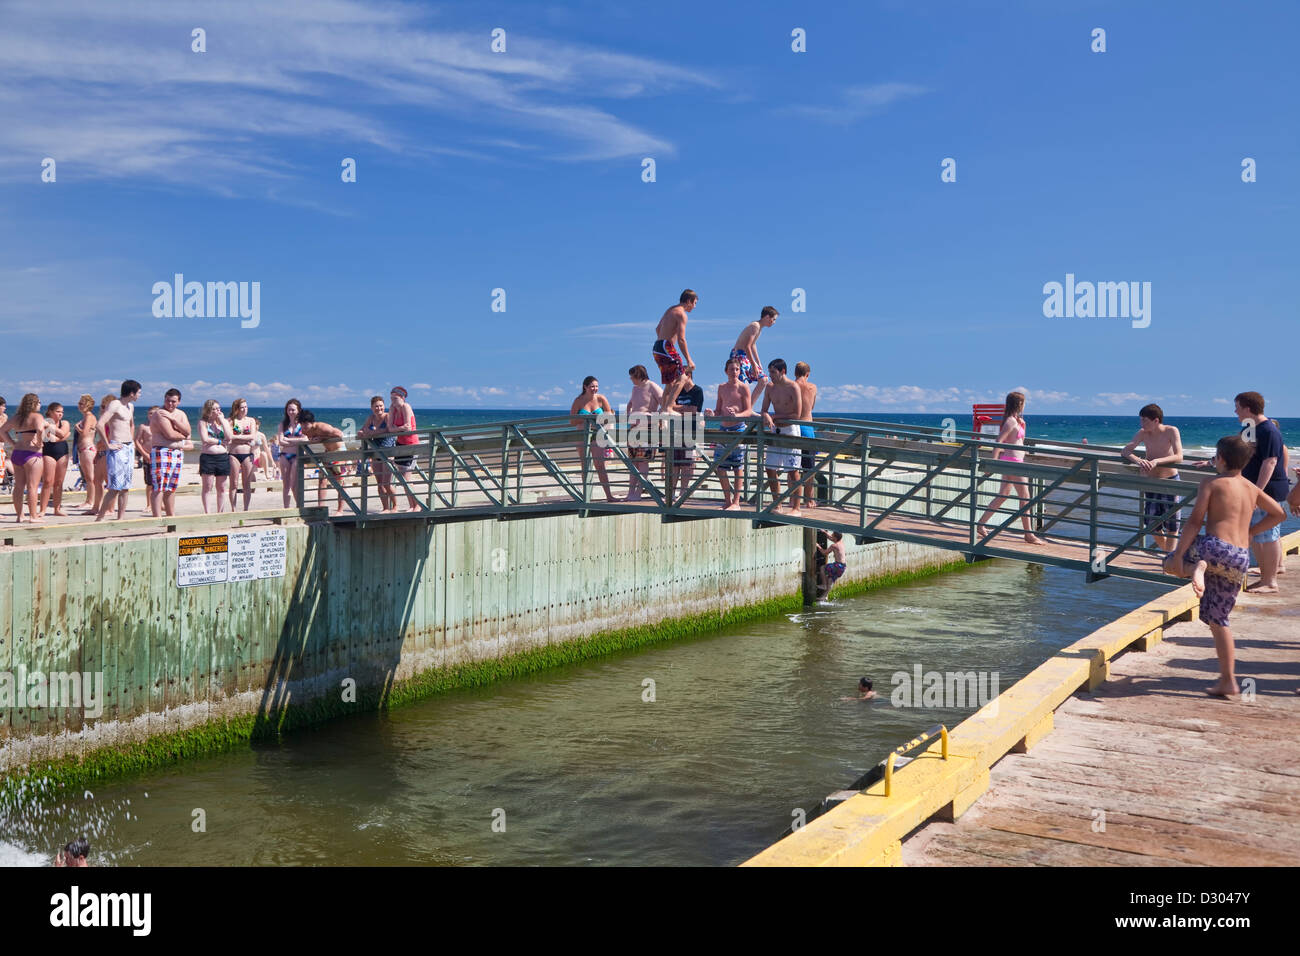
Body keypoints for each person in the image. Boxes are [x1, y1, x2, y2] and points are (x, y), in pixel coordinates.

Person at [1163, 435, 1286, 697]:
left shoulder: (1211, 482)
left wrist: (1178, 556)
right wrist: (1251, 532)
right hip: (1240, 557)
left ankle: (1199, 567)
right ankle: (1228, 681)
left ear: (1219, 459)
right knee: (1219, 621)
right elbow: (1279, 513)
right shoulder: (1251, 488)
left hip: (1214, 549)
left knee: (1168, 563)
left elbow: (1195, 522)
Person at [1235, 392, 1288, 594]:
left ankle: (1270, 581)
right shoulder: (1250, 428)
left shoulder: (1268, 430)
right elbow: (1242, 453)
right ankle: (1266, 572)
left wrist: (1257, 491)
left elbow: (1271, 462)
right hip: (1253, 489)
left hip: (1269, 490)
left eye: (1238, 407)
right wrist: (1212, 462)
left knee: (1268, 535)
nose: (1236, 412)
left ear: (1248, 408)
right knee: (1257, 534)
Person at [975, 391, 1045, 545]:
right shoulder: (1010, 422)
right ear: (1019, 404)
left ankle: (980, 524)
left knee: (1003, 495)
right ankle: (1028, 535)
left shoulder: (1017, 421)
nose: (1025, 406)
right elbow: (999, 441)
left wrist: (1023, 426)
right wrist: (993, 463)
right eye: (1024, 403)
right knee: (1025, 498)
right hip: (1012, 463)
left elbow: (1017, 442)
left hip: (1013, 461)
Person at [1120, 403, 1185, 552]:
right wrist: (1138, 460)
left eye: (1145, 421)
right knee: (1151, 524)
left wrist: (1156, 461)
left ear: (1156, 420)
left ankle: (1169, 560)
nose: (1142, 424)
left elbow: (1179, 456)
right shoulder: (1143, 433)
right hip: (1151, 482)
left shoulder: (1171, 431)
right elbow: (1125, 451)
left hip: (1170, 481)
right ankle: (1169, 556)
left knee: (1172, 525)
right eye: (1141, 420)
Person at [759, 359, 803, 516]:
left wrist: (775, 415)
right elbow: (763, 409)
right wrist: (766, 416)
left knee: (793, 471)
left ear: (783, 371)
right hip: (775, 430)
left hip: (790, 431)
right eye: (769, 372)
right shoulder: (770, 387)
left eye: (773, 372)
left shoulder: (793, 387)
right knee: (770, 468)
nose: (771, 376)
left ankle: (796, 508)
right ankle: (777, 504)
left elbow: (797, 414)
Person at [712, 356, 756, 510]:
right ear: (726, 371)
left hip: (738, 429)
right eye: (732, 369)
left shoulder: (744, 387)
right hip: (724, 430)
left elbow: (749, 411)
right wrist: (712, 413)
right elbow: (718, 410)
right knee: (720, 466)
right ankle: (727, 500)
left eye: (737, 369)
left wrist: (736, 415)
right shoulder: (721, 387)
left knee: (738, 467)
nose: (735, 372)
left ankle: (736, 502)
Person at [95, 380, 142, 522]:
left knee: (126, 487)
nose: (140, 395)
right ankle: (100, 517)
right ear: (132, 393)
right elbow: (100, 424)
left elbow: (131, 425)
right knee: (115, 487)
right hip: (117, 447)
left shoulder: (130, 406)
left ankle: (121, 518)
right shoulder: (115, 404)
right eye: (139, 392)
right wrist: (108, 444)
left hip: (128, 447)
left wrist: (132, 442)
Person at [570, 376, 616, 502]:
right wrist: (586, 418)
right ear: (585, 387)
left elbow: (610, 416)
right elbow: (572, 421)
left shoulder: (601, 399)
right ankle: (586, 497)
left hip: (597, 435)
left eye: (596, 386)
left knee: (600, 465)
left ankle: (609, 496)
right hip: (582, 435)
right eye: (592, 386)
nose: (594, 389)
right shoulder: (578, 401)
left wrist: (600, 419)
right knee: (585, 466)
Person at [148, 388, 191, 518]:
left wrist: (174, 421)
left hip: (177, 453)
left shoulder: (181, 414)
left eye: (173, 401)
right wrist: (183, 435)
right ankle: (157, 517)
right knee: (159, 486)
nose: (170, 404)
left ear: (178, 402)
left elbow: (188, 431)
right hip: (162, 451)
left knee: (171, 487)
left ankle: (170, 516)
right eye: (167, 400)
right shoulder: (160, 413)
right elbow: (170, 434)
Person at [653, 290, 698, 412]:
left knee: (670, 382)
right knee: (682, 378)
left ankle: (663, 410)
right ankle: (668, 407)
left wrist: (665, 340)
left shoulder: (670, 309)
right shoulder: (681, 314)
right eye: (694, 303)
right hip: (665, 347)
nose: (694, 307)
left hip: (657, 347)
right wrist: (689, 359)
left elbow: (658, 329)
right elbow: (682, 339)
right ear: (689, 301)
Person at [624, 365, 663, 502]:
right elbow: (630, 404)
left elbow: (664, 402)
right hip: (634, 428)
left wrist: (655, 417)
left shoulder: (652, 386)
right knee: (633, 461)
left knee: (643, 461)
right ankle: (631, 492)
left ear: (639, 375)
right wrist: (629, 416)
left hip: (648, 428)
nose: (631, 379)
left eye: (632, 376)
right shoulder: (635, 388)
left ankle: (639, 492)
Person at [299, 410, 348, 513]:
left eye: (306, 423)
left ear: (312, 422)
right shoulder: (304, 430)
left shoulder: (322, 427)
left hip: (338, 451)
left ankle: (340, 510)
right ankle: (320, 507)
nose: (304, 426)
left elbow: (340, 434)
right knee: (322, 480)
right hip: (326, 452)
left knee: (340, 481)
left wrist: (322, 438)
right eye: (302, 423)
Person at [667, 368, 705, 502]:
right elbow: (670, 405)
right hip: (677, 430)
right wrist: (683, 409)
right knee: (675, 464)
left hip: (691, 431)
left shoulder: (697, 391)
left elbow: (694, 410)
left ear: (687, 376)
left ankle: (683, 492)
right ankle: (671, 493)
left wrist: (678, 409)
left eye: (679, 377)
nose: (677, 381)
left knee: (687, 464)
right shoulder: (678, 391)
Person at [8, 394, 45, 522]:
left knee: (18, 486)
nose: (40, 404)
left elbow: (2, 431)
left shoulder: (17, 418)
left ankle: (20, 516)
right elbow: (40, 429)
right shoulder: (37, 416)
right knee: (32, 487)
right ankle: (33, 516)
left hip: (17, 452)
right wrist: (40, 442)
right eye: (39, 402)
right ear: (34, 404)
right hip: (32, 454)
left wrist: (12, 443)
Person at [730, 306, 778, 406]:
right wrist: (753, 364)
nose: (774, 322)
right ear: (767, 317)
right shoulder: (755, 326)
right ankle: (740, 407)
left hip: (745, 356)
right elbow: (747, 346)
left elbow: (753, 345)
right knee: (742, 384)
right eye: (773, 319)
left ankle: (749, 407)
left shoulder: (759, 328)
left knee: (763, 379)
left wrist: (758, 363)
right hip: (738, 355)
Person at [359, 396, 397, 512]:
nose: (379, 408)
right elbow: (363, 430)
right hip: (376, 453)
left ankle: (395, 505)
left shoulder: (387, 416)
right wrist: (362, 432)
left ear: (384, 406)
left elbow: (389, 430)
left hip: (388, 452)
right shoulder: (371, 418)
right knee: (380, 484)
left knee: (387, 483)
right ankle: (385, 507)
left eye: (380, 405)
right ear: (372, 408)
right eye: (376, 406)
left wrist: (372, 433)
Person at [387, 387, 420, 512]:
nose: (393, 402)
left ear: (402, 397)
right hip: (400, 444)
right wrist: (399, 428)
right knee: (402, 479)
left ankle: (416, 505)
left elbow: (409, 427)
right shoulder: (393, 408)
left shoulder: (406, 406)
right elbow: (390, 428)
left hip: (411, 445)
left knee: (407, 478)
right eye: (391, 399)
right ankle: (411, 506)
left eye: (395, 399)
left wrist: (397, 428)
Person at [197, 399, 233, 514]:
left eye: (219, 408)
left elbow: (229, 437)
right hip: (208, 457)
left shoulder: (223, 422)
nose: (217, 411)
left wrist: (222, 421)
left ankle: (220, 512)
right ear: (208, 410)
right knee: (208, 487)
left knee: (222, 487)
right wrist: (219, 442)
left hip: (222, 457)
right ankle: (207, 512)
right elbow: (205, 439)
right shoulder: (203, 422)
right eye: (214, 409)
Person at [793, 361, 820, 511]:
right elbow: (812, 406)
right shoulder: (813, 387)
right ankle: (809, 501)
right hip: (808, 428)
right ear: (808, 374)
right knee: (809, 469)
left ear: (795, 373)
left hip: (794, 428)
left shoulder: (791, 386)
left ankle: (793, 499)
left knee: (793, 467)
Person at [39, 402, 71, 517]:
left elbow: (62, 433)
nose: (60, 414)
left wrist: (52, 428)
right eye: (58, 411)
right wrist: (63, 436)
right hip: (48, 452)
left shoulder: (65, 422)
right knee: (48, 481)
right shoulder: (44, 422)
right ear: (51, 411)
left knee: (59, 482)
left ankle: (57, 509)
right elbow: (49, 439)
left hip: (62, 452)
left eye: (62, 412)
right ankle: (42, 510)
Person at [227, 398, 258, 512]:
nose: (245, 409)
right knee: (233, 483)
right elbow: (229, 437)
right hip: (233, 454)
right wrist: (244, 438)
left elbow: (253, 436)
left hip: (247, 454)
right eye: (242, 407)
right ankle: (233, 509)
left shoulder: (251, 421)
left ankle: (246, 509)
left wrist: (237, 438)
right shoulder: (231, 421)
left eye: (246, 407)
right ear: (236, 409)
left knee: (247, 484)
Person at [276, 398, 306, 507]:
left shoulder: (302, 425)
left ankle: (299, 507)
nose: (291, 412)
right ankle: (286, 509)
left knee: (294, 485)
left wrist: (288, 440)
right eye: (289, 410)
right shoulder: (283, 425)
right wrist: (296, 441)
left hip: (297, 456)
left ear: (298, 410)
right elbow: (280, 441)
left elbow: (305, 439)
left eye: (293, 410)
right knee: (286, 485)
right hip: (285, 455)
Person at [74, 394, 98, 512]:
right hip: (84, 449)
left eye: (81, 403)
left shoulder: (89, 416)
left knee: (90, 477)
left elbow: (84, 433)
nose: (79, 405)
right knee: (87, 477)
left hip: (88, 448)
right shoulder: (86, 417)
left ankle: (90, 501)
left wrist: (77, 427)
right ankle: (89, 500)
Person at [133, 406, 157, 515]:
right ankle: (149, 504)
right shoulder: (144, 427)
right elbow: (137, 441)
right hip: (148, 457)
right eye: (150, 413)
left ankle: (158, 503)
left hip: (160, 457)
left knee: (160, 482)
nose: (152, 415)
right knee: (149, 483)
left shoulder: (161, 426)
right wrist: (144, 454)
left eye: (154, 413)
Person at [817, 530, 847, 595]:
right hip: (843, 567)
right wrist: (824, 532)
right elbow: (830, 538)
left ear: (835, 538)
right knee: (830, 579)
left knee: (822, 568)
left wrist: (818, 546)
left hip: (837, 566)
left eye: (832, 535)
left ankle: (824, 585)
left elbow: (824, 553)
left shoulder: (834, 545)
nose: (831, 536)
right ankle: (824, 597)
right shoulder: (841, 543)